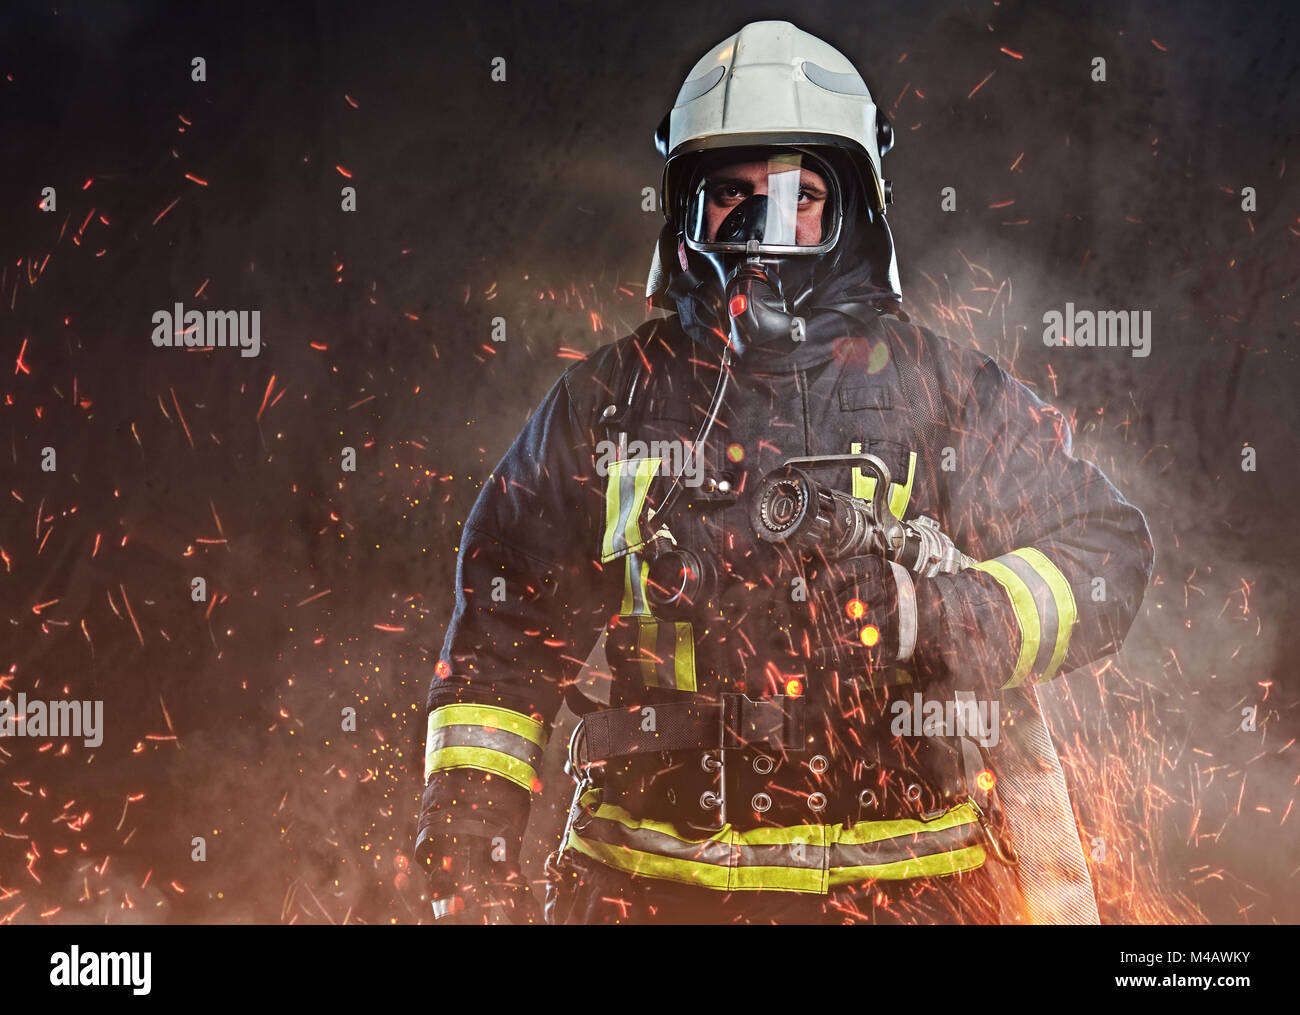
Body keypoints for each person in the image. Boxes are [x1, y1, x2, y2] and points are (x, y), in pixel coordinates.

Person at [415, 20, 1154, 925]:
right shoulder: (608, 400)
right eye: (730, 193)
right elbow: (501, 635)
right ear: (685, 210)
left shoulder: (943, 392)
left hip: (907, 900)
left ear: (856, 211)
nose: (761, 227)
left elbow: (1107, 554)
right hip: (648, 898)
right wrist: (471, 849)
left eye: (799, 196)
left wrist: (935, 618)